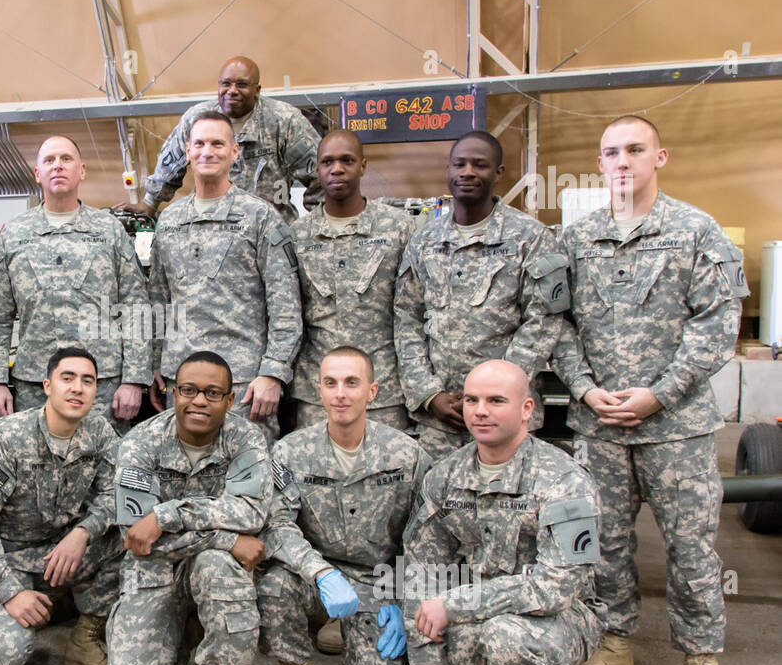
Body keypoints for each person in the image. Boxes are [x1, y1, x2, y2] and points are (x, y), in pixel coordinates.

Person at [553, 115, 746, 665]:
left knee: (691, 550)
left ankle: (701, 660)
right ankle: (614, 648)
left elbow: (717, 325)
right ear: (600, 161)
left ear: (659, 157)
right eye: (611, 151)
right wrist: (584, 391)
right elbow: (554, 325)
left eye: (635, 150)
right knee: (602, 546)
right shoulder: (574, 239)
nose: (622, 161)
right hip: (600, 428)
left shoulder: (696, 232)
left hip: (677, 428)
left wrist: (660, 394)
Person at [396, 361, 604, 665]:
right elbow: (423, 572)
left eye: (496, 401)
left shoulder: (565, 480)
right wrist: (428, 658)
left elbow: (555, 588)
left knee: (508, 635)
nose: (480, 411)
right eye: (472, 400)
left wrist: (455, 604)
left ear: (527, 409)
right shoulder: (444, 477)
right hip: (477, 616)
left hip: (559, 617)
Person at [257, 347, 430, 665]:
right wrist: (320, 571)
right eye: (331, 383)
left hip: (379, 586)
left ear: (373, 391)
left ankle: (358, 642)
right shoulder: (289, 452)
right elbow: (278, 525)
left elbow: (425, 540)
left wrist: (405, 601)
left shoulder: (407, 455)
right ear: (318, 390)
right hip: (318, 577)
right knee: (273, 584)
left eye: (352, 382)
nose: (341, 393)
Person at [105, 352, 273, 665]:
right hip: (154, 571)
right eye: (189, 390)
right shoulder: (140, 443)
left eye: (212, 393)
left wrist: (167, 513)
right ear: (171, 393)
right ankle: (181, 638)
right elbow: (137, 538)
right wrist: (228, 540)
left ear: (230, 400)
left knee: (218, 567)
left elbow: (250, 512)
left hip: (212, 571)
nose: (199, 401)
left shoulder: (246, 438)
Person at [394, 131, 570, 460]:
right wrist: (429, 394)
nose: (468, 172)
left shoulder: (530, 238)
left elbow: (544, 320)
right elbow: (406, 318)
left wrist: (494, 393)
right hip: (439, 420)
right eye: (459, 164)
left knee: (507, 506)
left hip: (507, 415)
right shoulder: (424, 241)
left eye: (480, 165)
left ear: (498, 173)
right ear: (448, 170)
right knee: (438, 507)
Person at [0, 347, 121, 665]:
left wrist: (84, 531)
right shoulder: (5, 438)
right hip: (3, 563)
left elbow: (119, 494)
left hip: (59, 555)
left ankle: (84, 639)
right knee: (2, 656)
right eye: (67, 378)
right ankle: (4, 605)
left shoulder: (99, 433)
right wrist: (9, 591)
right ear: (47, 385)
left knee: (129, 535)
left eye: (87, 381)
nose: (77, 388)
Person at [147, 111, 302, 445]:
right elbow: (159, 300)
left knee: (247, 479)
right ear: (187, 151)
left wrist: (273, 372)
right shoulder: (170, 220)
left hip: (243, 385)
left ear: (234, 152)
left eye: (218, 143)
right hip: (181, 380)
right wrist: (155, 365)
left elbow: (286, 304)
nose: (208, 151)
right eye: (199, 143)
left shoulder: (260, 217)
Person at [0, 135, 150, 425]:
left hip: (102, 384)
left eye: (66, 159)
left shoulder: (109, 230)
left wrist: (134, 379)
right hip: (35, 383)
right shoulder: (15, 234)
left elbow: (135, 307)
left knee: (104, 464)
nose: (58, 166)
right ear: (37, 174)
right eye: (49, 160)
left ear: (81, 170)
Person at [290, 130, 414, 433]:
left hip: (382, 388)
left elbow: (412, 311)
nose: (337, 169)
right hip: (317, 390)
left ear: (362, 166)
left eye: (347, 160)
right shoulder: (297, 235)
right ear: (318, 169)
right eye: (327, 162)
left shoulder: (398, 228)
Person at [120, 55, 322, 223]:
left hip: (271, 232)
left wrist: (315, 222)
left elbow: (321, 174)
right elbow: (171, 164)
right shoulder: (197, 119)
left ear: (257, 90)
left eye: (241, 85)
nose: (232, 91)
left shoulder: (284, 121)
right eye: (226, 84)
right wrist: (149, 204)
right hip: (212, 230)